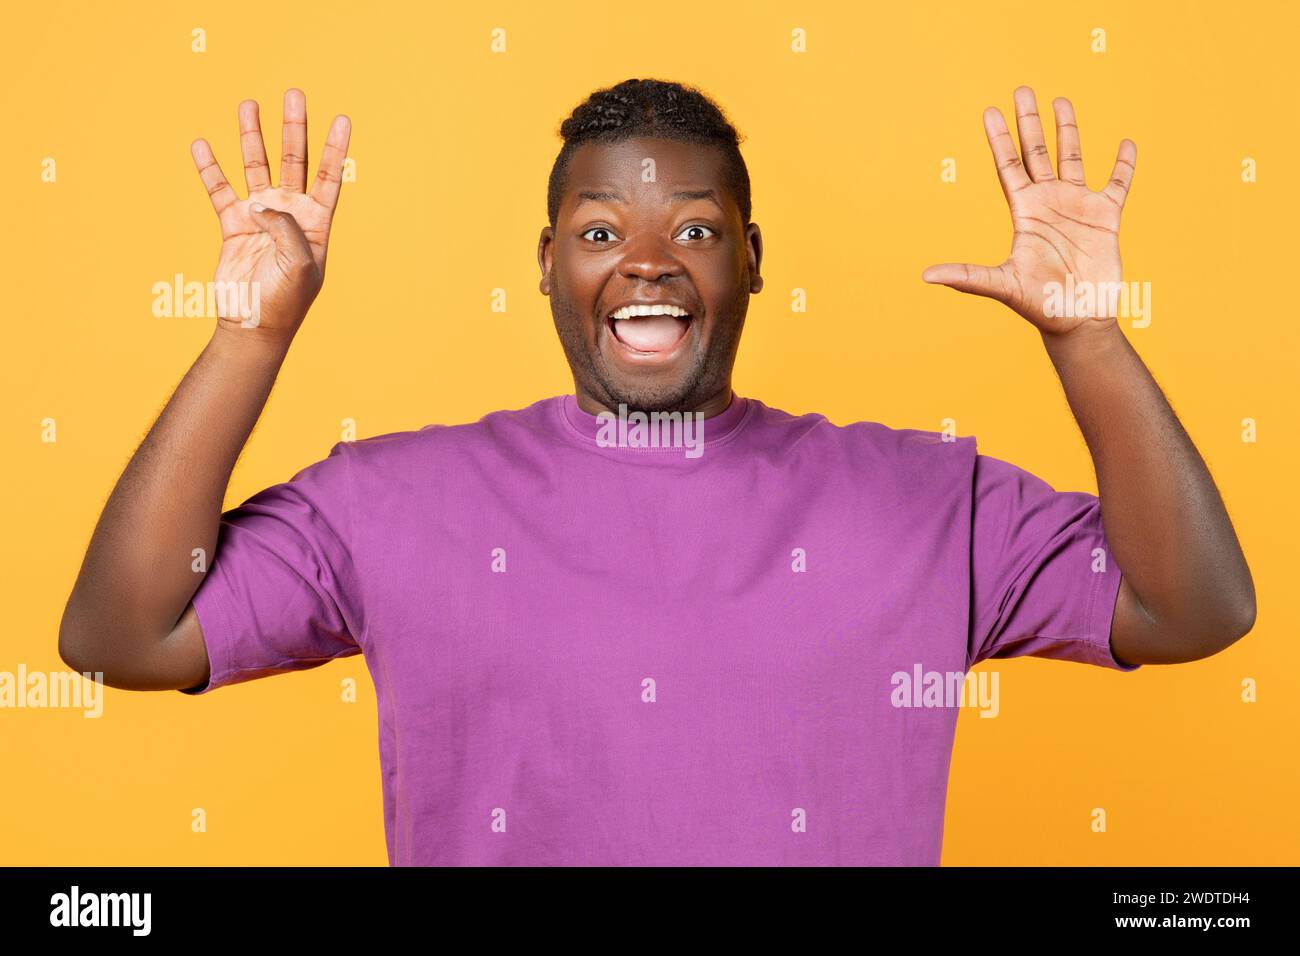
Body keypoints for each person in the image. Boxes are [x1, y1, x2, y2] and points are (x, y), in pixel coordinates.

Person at [59, 79, 1255, 865]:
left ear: (750, 258)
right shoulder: (391, 500)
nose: (645, 264)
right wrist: (247, 338)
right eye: (597, 233)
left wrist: (1088, 336)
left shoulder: (928, 500)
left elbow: (1194, 606)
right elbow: (121, 634)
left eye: (692, 229)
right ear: (544, 265)